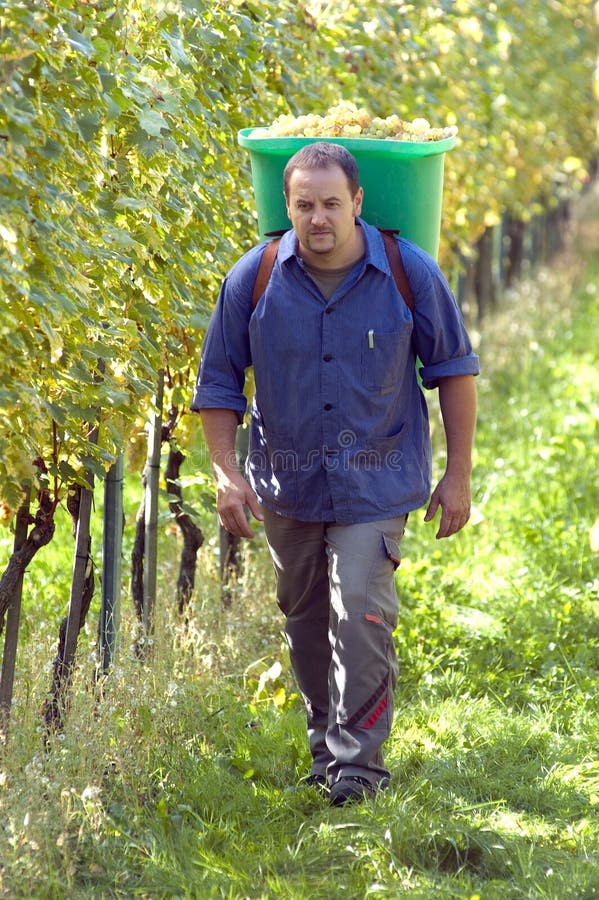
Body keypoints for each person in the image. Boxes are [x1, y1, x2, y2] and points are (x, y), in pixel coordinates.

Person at [191, 142, 479, 806]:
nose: (317, 218)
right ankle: (327, 748)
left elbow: (453, 372)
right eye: (303, 205)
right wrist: (225, 473)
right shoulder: (254, 277)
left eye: (329, 204)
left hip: (375, 483)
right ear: (286, 206)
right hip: (287, 483)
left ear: (356, 203)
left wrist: (458, 474)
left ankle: (359, 770)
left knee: (359, 612)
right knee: (304, 618)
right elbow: (218, 385)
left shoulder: (408, 273)